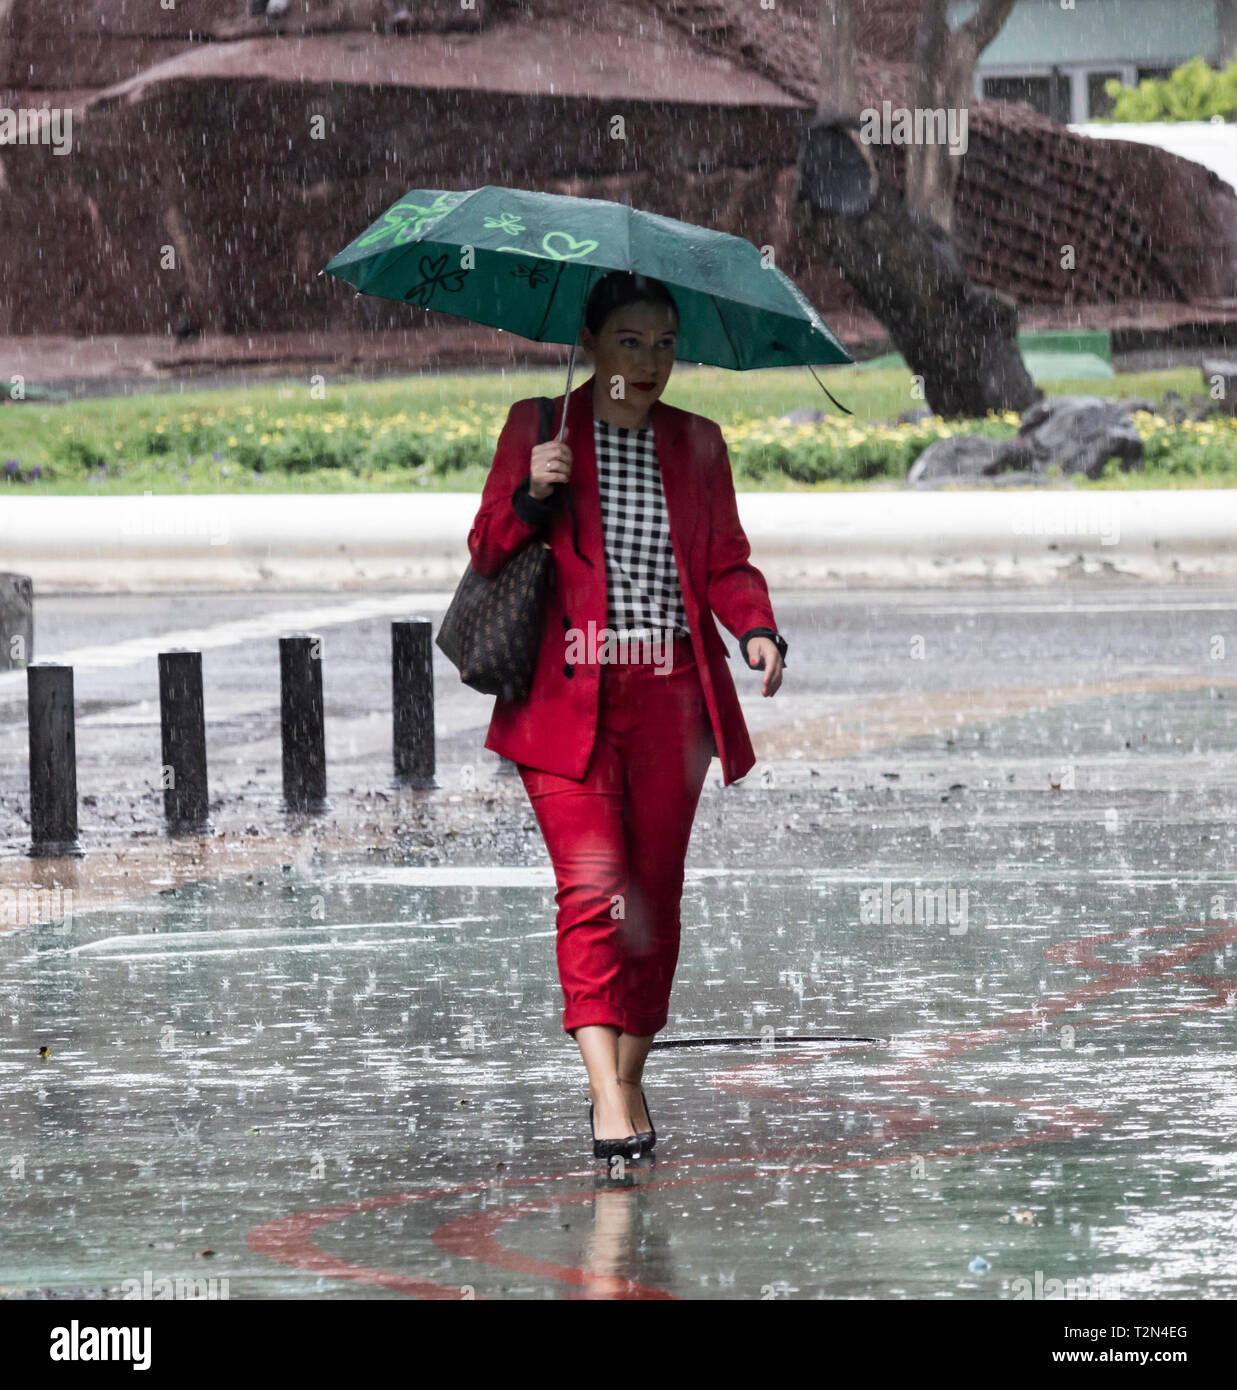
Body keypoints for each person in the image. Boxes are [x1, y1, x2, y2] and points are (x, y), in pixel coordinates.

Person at [466, 271, 787, 1162]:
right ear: (592, 341)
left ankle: (627, 1071)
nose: (650, 364)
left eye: (664, 346)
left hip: (672, 698)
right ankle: (607, 1096)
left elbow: (725, 560)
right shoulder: (541, 429)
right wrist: (533, 492)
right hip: (565, 703)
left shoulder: (697, 443)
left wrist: (755, 631)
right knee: (594, 891)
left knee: (650, 902)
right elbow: (487, 545)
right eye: (632, 343)